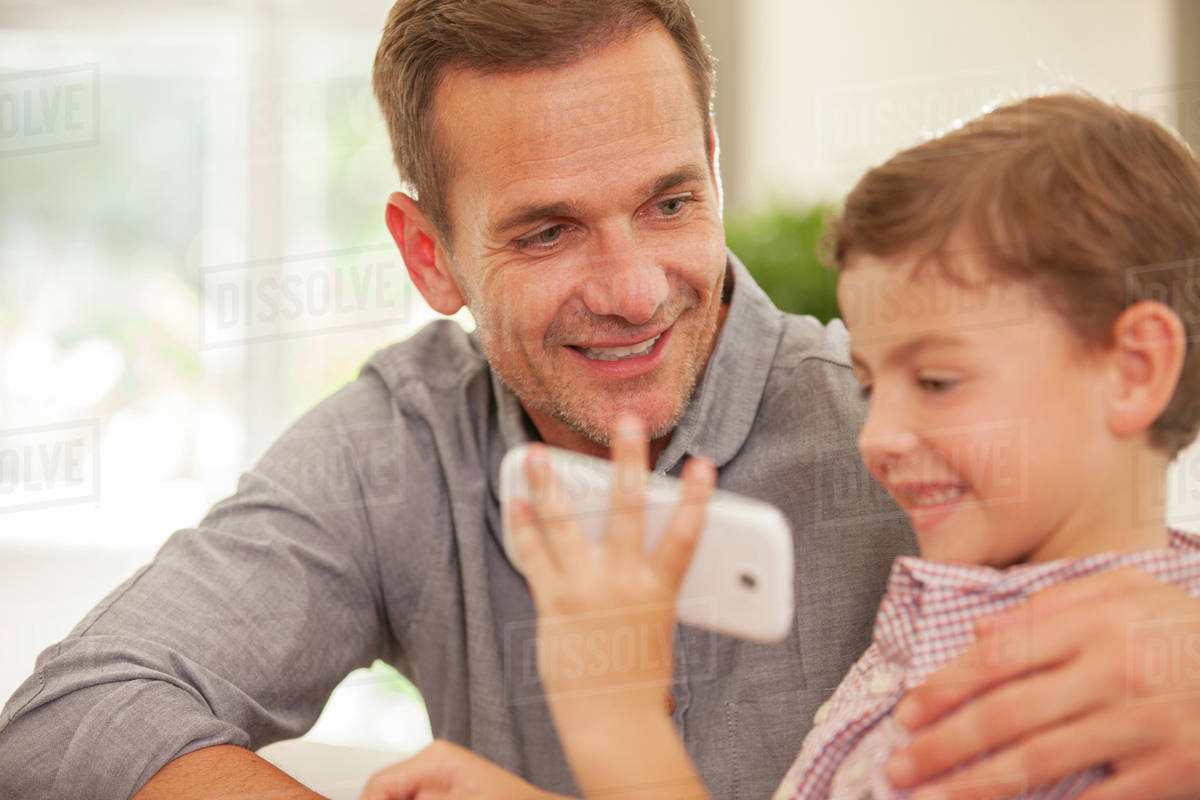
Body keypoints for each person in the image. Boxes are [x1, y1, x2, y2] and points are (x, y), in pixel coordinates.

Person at [0, 0, 1195, 796]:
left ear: (715, 161)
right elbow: (67, 721)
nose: (632, 289)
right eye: (549, 229)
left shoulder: (915, 450)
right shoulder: (403, 444)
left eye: (671, 202)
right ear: (428, 256)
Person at [502, 94, 1200, 800]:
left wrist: (616, 725)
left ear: (1134, 369)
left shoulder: (1055, 705)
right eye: (869, 387)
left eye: (936, 380)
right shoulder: (981, 626)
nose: (879, 438)